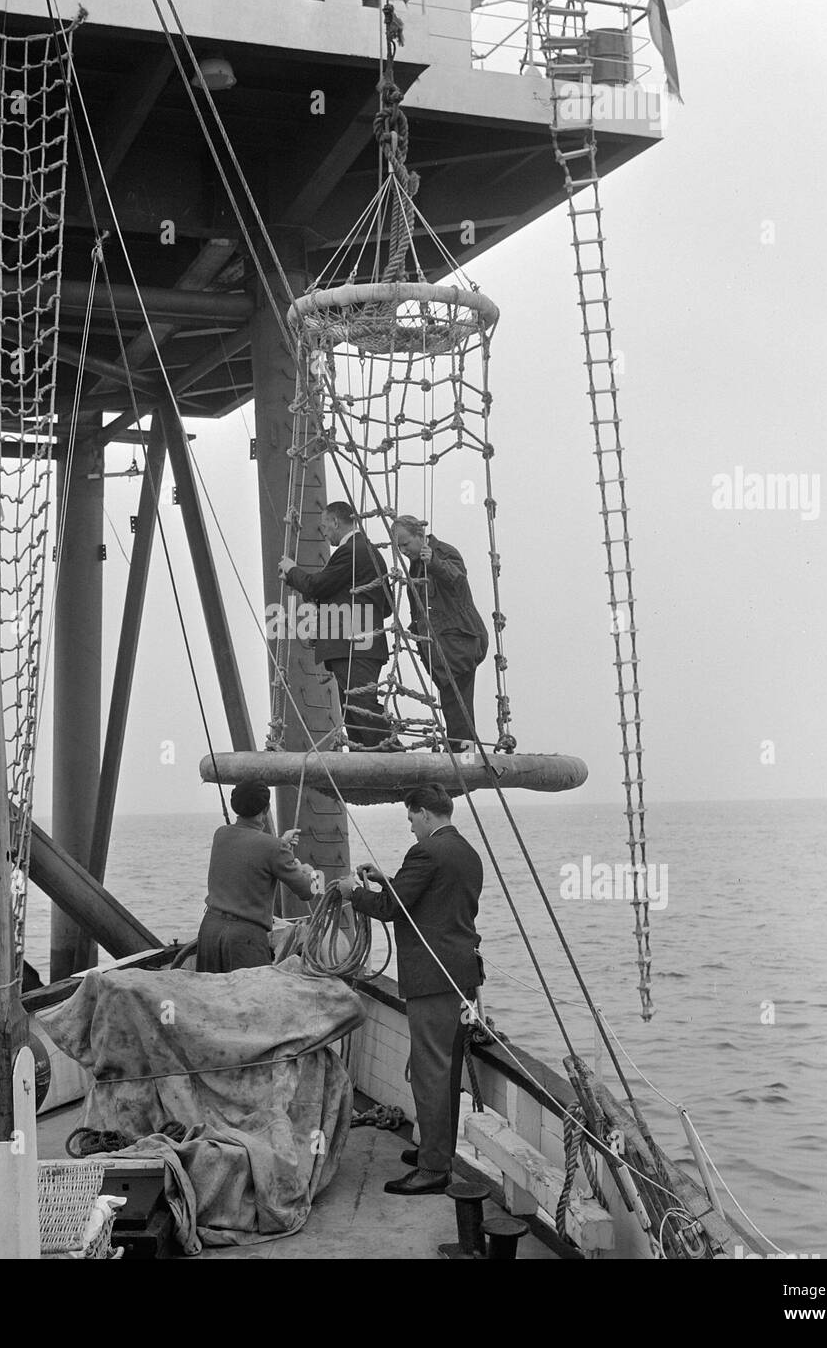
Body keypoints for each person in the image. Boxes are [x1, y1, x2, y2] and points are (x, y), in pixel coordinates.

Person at [338, 784, 484, 1195]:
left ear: (423, 814)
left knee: (430, 1073)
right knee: (446, 1070)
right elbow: (429, 901)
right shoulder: (466, 852)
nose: (410, 828)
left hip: (433, 979)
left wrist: (354, 894)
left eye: (410, 819)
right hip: (460, 976)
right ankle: (436, 1153)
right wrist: (387, 880)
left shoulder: (425, 852)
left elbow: (393, 909)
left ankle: (434, 1168)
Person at [278, 500, 396, 748]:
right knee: (352, 708)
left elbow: (316, 585)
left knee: (360, 705)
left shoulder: (351, 551)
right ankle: (369, 761)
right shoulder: (370, 552)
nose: (324, 532)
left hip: (352, 645)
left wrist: (291, 571)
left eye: (325, 526)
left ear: (335, 521)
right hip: (363, 642)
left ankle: (392, 757)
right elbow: (385, 606)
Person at [196, 782, 319, 973]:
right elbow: (307, 892)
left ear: (235, 806)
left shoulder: (220, 834)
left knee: (212, 997)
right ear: (266, 808)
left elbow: (250, 850)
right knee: (251, 999)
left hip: (210, 931)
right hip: (244, 938)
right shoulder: (273, 848)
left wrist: (281, 844)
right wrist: (312, 873)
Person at [391, 514, 489, 751]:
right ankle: (459, 753)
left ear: (420, 536)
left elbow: (457, 580)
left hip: (458, 642)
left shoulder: (443, 552)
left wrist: (433, 560)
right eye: (399, 547)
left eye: (405, 544)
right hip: (441, 645)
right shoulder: (415, 565)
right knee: (452, 703)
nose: (403, 551)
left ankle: (464, 756)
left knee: (458, 703)